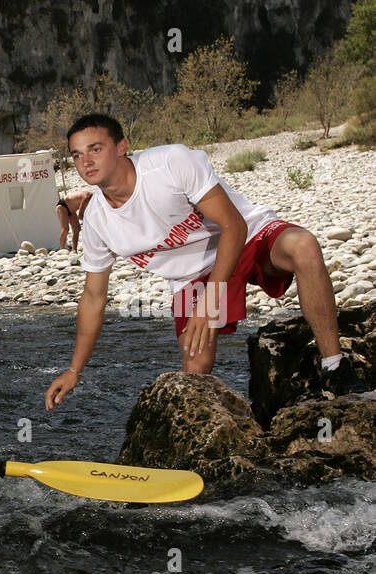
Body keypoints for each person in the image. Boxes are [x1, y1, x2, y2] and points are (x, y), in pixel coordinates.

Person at [46, 113, 369, 411]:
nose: (85, 161)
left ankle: (334, 368)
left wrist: (210, 300)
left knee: (304, 245)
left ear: (121, 147)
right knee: (194, 373)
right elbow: (93, 298)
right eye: (76, 155)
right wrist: (75, 370)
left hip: (248, 238)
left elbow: (234, 226)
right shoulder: (100, 223)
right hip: (191, 278)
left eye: (95, 149)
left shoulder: (170, 163)